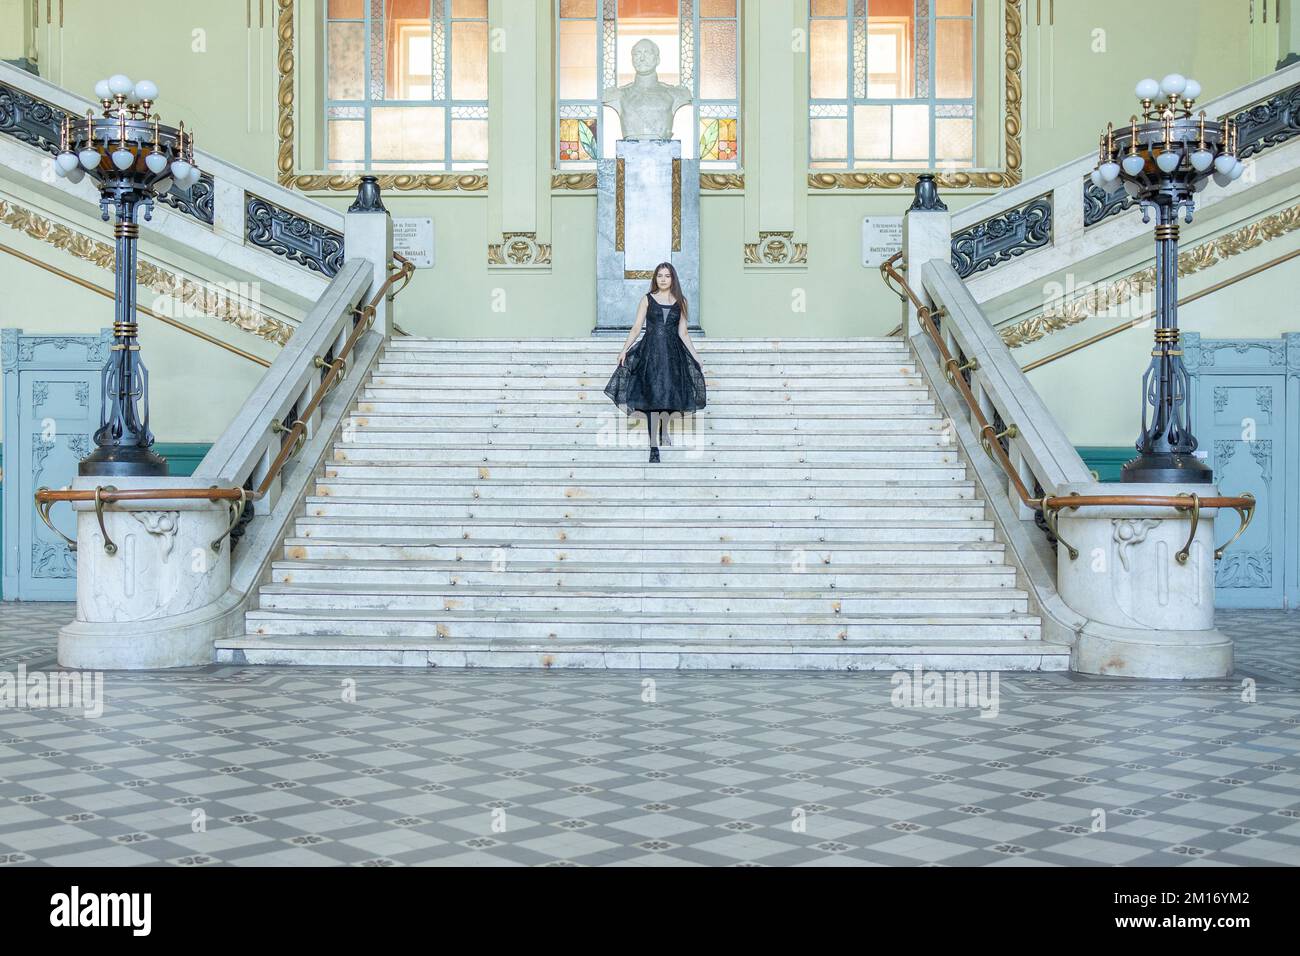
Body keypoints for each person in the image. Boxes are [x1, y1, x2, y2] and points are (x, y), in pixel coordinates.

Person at [604, 262, 706, 462]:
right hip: (650, 353)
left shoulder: (681, 302)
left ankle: (663, 430)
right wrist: (624, 350)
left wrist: (696, 356)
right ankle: (653, 447)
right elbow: (636, 328)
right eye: (660, 276)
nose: (663, 279)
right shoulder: (647, 300)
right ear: (655, 278)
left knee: (668, 394)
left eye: (667, 276)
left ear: (672, 279)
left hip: (672, 355)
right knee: (652, 397)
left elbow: (683, 332)